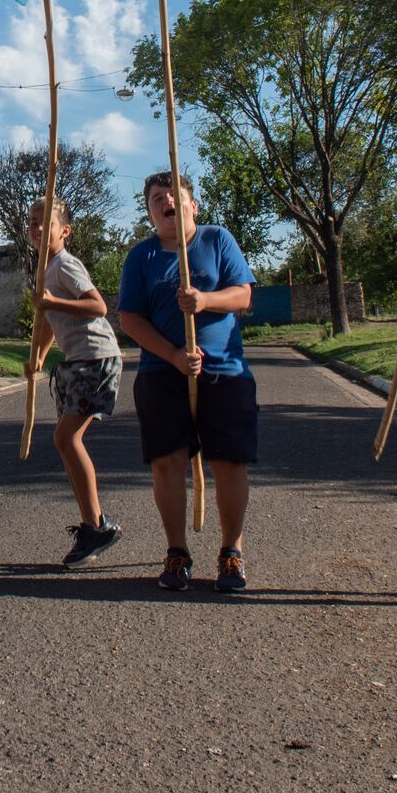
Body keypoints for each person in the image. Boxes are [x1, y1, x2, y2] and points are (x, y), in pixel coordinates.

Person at [116, 171, 257, 594]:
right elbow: (129, 319)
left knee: (229, 461)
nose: (166, 202)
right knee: (168, 462)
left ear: (193, 205)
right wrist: (174, 356)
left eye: (175, 195)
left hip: (224, 370)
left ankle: (231, 551)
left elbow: (245, 295)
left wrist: (205, 300)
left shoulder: (217, 240)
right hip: (162, 373)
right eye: (157, 198)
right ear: (150, 212)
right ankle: (176, 551)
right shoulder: (141, 257)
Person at [26, 196, 125, 566]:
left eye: (44, 223)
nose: (36, 229)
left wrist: (53, 301)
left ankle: (95, 525)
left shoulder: (65, 265)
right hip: (76, 360)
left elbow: (98, 306)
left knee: (67, 437)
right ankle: (93, 523)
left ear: (64, 231)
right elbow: (49, 321)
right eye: (32, 223)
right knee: (65, 439)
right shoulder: (44, 270)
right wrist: (37, 356)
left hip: (96, 358)